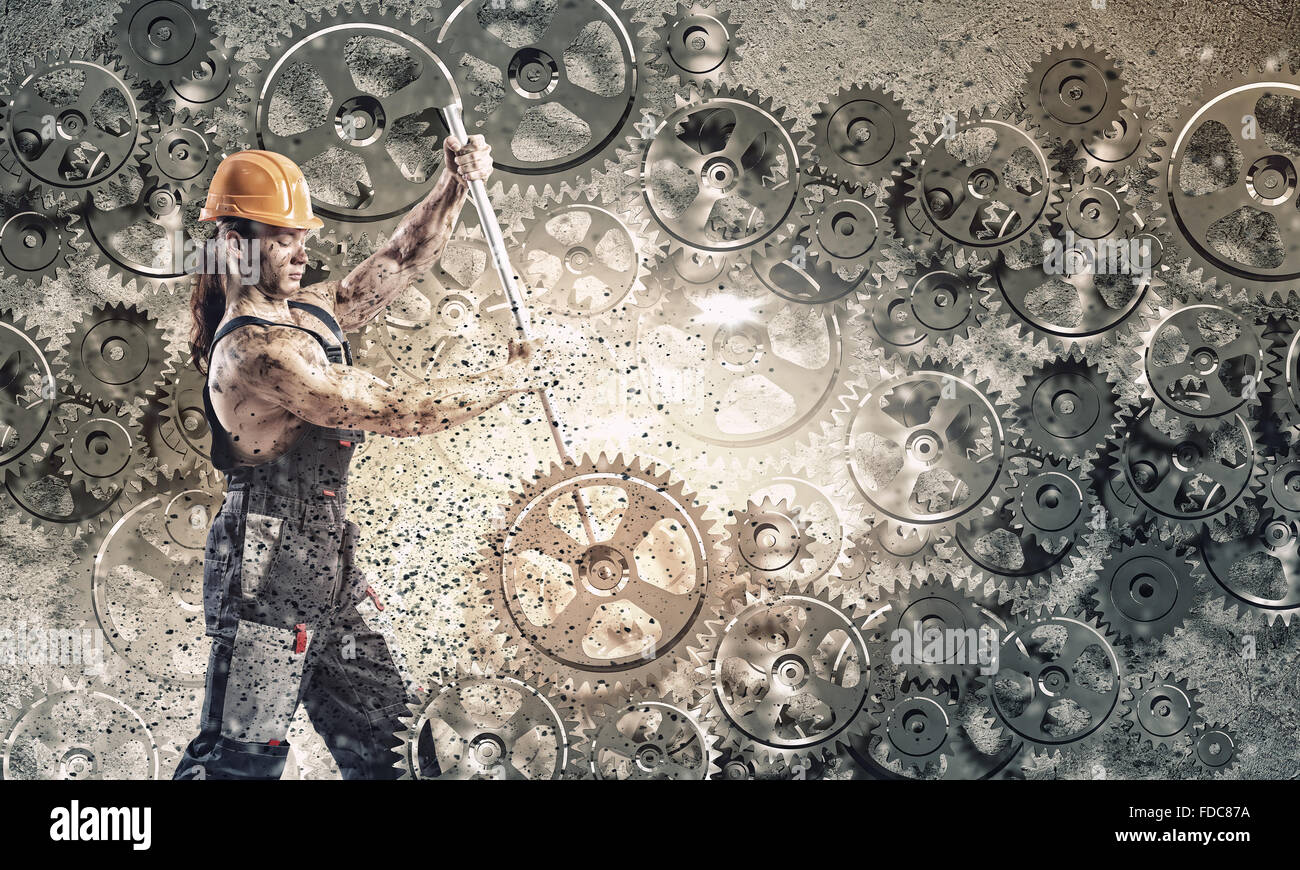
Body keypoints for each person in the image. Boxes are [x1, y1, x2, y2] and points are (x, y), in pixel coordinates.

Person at [174, 136, 546, 779]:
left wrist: (453, 183)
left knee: (392, 745)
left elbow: (400, 260)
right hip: (264, 578)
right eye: (284, 236)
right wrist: (506, 381)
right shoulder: (256, 351)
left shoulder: (308, 313)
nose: (302, 250)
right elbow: (388, 408)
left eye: (301, 234)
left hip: (327, 563)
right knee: (239, 763)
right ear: (234, 244)